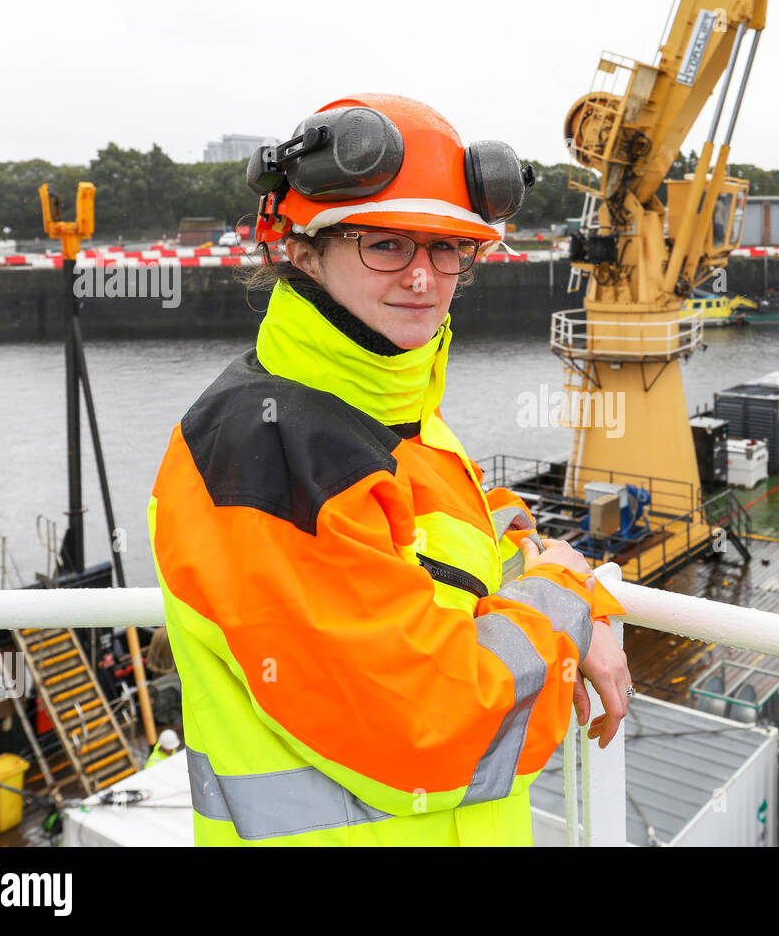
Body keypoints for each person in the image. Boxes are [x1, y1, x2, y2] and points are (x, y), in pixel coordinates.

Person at [147, 93, 633, 846]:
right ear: (301, 249)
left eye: (448, 249)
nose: (423, 277)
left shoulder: (389, 405)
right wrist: (567, 597)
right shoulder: (262, 451)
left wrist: (541, 568)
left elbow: (460, 536)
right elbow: (433, 727)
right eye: (386, 245)